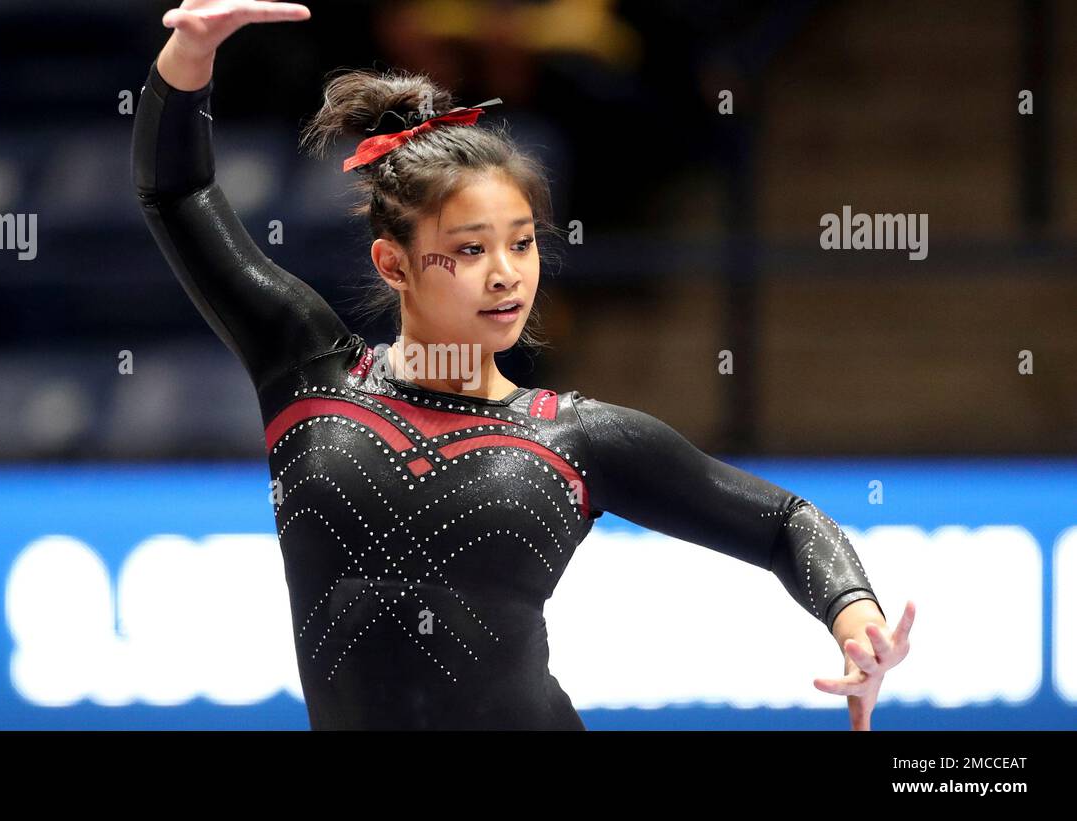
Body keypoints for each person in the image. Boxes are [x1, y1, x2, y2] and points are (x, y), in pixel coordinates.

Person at [133, 0, 915, 730]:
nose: (507, 272)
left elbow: (784, 523)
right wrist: (188, 54)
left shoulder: (576, 439)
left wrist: (856, 619)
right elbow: (179, 194)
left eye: (522, 241)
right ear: (393, 263)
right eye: (471, 249)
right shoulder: (307, 370)